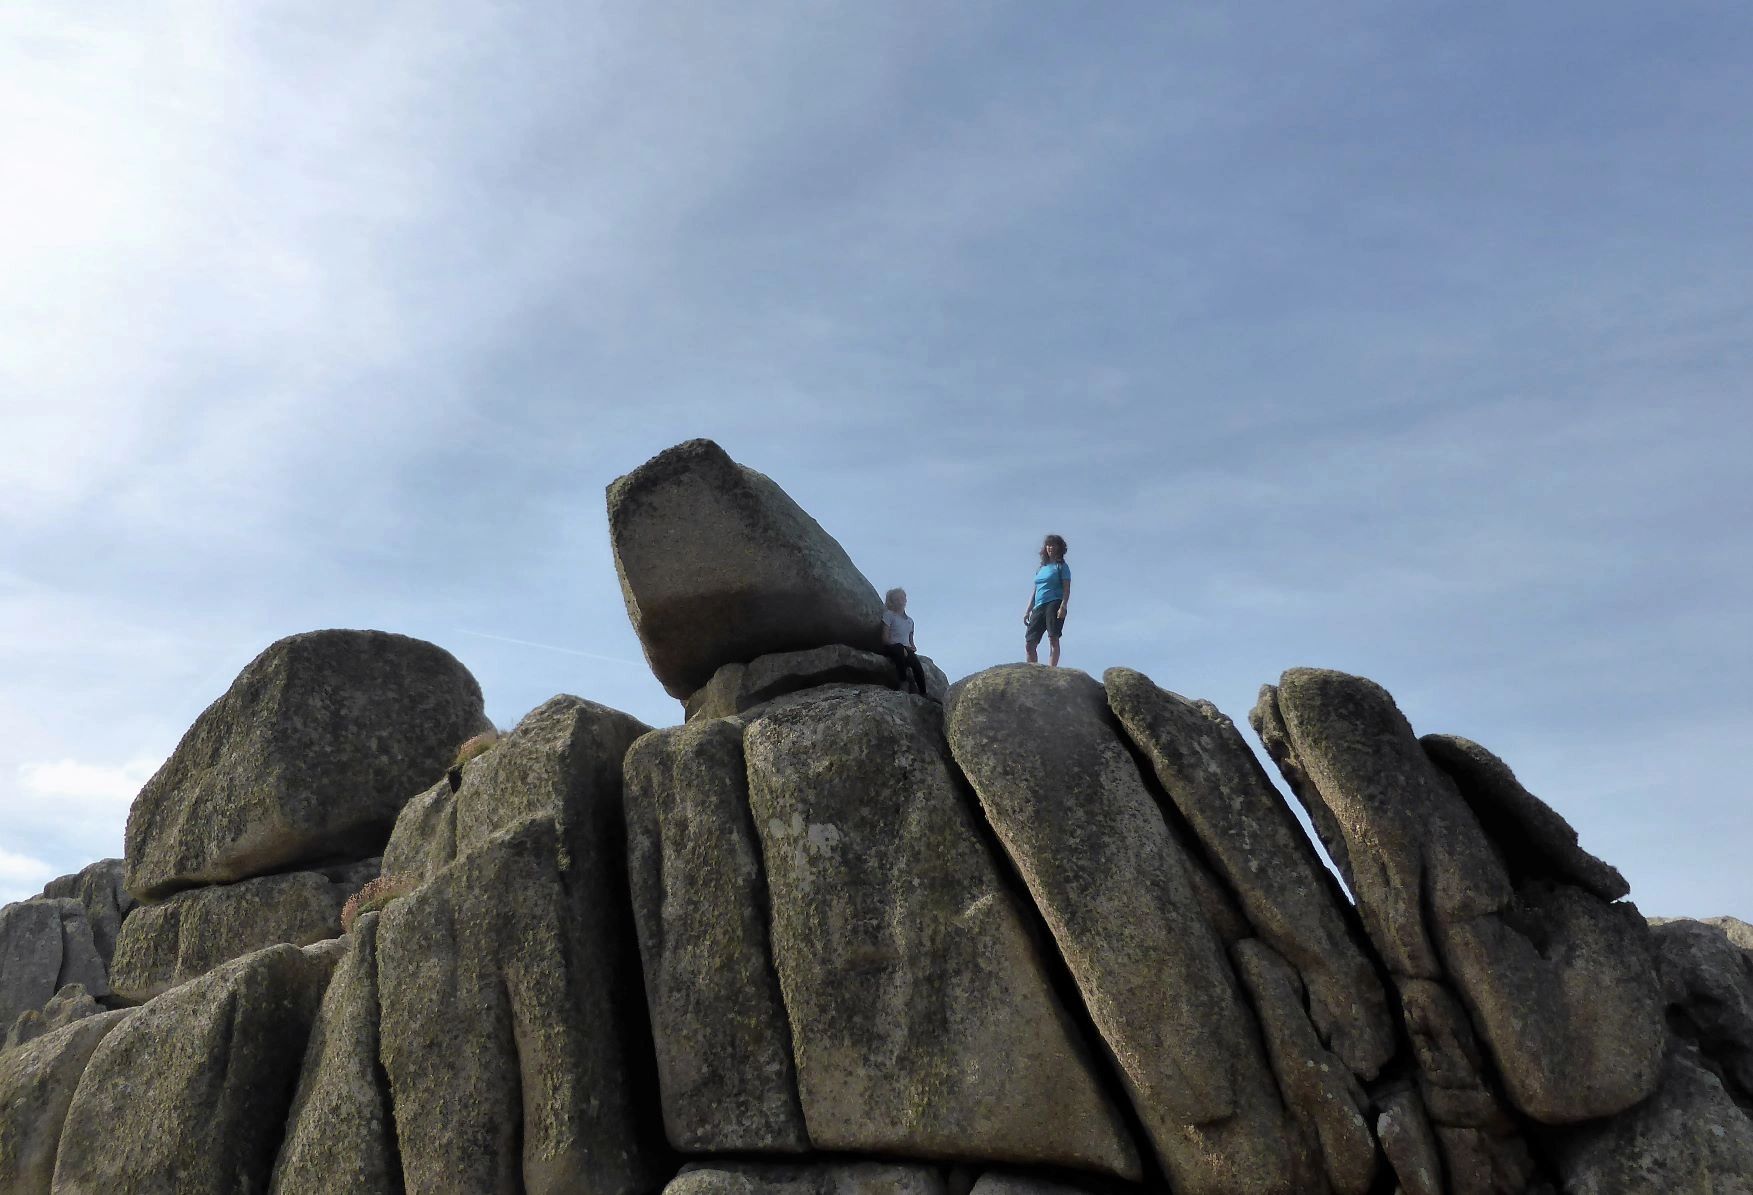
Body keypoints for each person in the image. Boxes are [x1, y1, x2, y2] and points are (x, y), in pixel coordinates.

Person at [1024, 533, 1071, 666]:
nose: (1050, 548)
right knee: (1029, 643)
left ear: (1059, 548)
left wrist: (1063, 606)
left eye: (1053, 545)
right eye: (1048, 545)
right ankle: (1033, 671)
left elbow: (1067, 589)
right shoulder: (1041, 569)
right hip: (1039, 605)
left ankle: (1051, 671)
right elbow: (1035, 591)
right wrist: (1027, 611)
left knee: (1053, 638)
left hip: (1054, 603)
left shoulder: (1062, 567)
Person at [880, 587, 930, 697]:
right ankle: (903, 682)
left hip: (905, 649)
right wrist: (900, 647)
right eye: (896, 599)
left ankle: (923, 692)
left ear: (905, 600)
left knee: (916, 665)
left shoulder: (910, 621)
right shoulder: (889, 615)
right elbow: (885, 638)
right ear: (892, 601)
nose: (899, 601)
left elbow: (911, 641)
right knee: (898, 648)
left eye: (901, 598)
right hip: (891, 647)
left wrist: (912, 648)